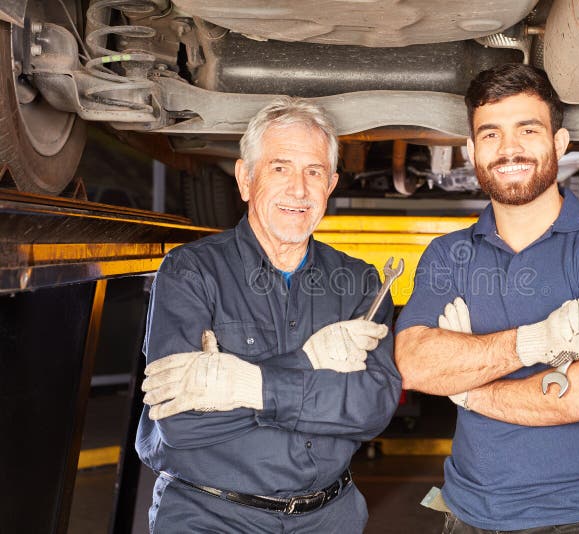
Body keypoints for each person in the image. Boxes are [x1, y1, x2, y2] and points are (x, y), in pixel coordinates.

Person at [394, 64, 579, 533]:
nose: (509, 149)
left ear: (560, 141)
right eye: (490, 134)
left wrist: (467, 389)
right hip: (467, 513)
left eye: (527, 130)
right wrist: (535, 343)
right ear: (471, 150)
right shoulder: (449, 254)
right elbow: (414, 364)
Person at [135, 97, 401, 533]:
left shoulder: (360, 283)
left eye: (313, 172)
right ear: (245, 179)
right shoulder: (191, 273)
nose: (299, 189)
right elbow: (181, 423)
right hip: (211, 517)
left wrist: (246, 383)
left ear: (330, 185)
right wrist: (309, 365)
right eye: (280, 168)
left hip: (330, 519)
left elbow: (372, 407)